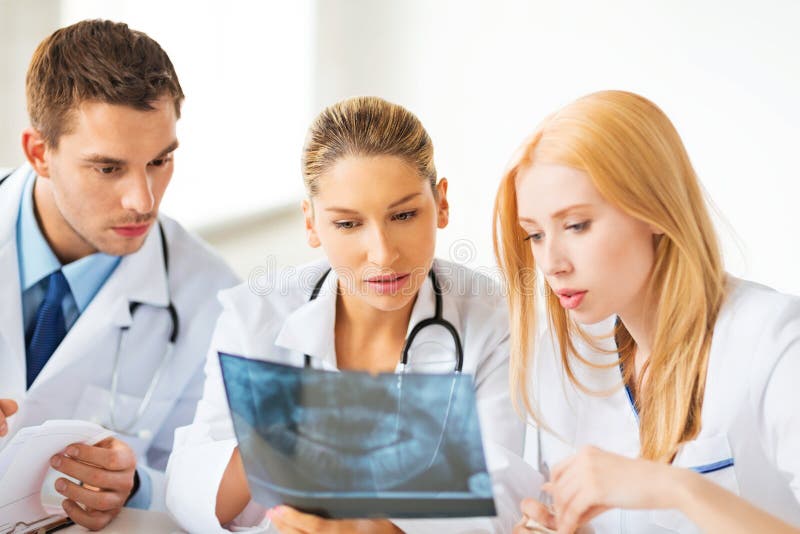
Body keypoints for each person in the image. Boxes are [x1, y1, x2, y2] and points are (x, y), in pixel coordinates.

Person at [165, 96, 526, 533]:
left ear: (442, 203)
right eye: (348, 224)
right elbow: (188, 491)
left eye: (405, 214)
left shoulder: (493, 318)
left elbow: (506, 495)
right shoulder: (254, 314)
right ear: (312, 223)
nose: (383, 253)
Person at [492, 90, 800, 533]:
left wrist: (677, 488)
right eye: (535, 235)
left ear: (654, 208)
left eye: (576, 225)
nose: (552, 262)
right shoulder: (566, 360)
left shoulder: (773, 342)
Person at [0, 19, 239, 529]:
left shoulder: (210, 296)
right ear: (40, 153)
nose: (143, 201)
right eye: (108, 168)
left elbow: (213, 478)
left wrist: (134, 486)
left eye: (159, 160)